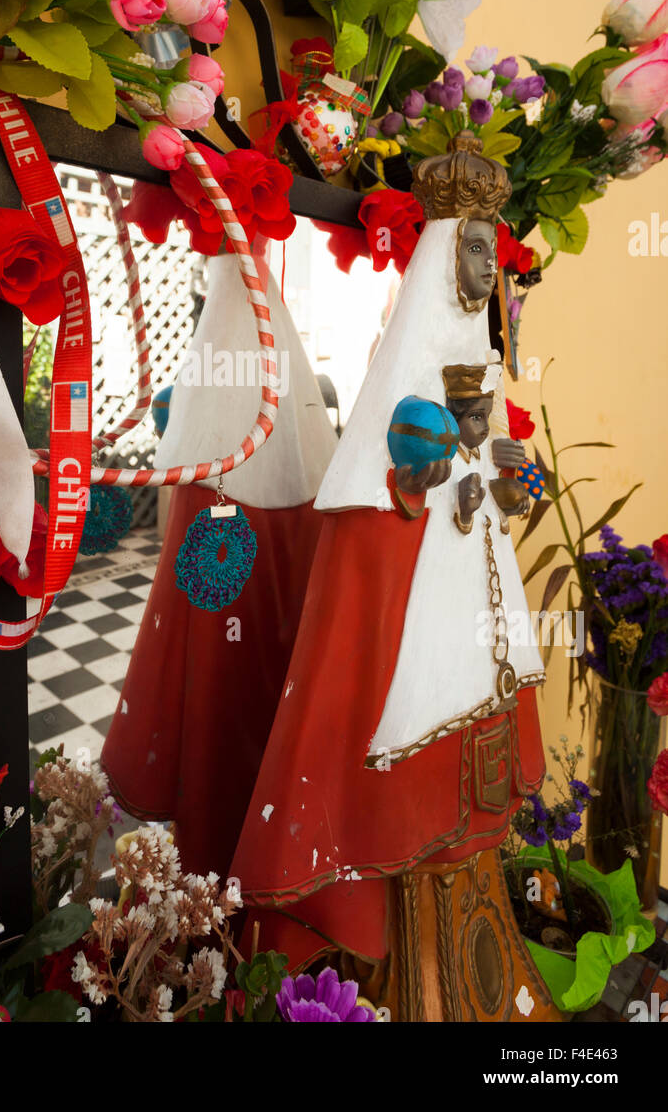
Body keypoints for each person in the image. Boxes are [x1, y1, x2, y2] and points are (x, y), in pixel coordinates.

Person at [230, 133, 546, 969]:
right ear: (445, 258)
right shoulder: (403, 388)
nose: (488, 270)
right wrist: (420, 485)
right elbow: (377, 521)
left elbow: (497, 508)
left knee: (465, 828)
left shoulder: (477, 363)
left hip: (474, 637)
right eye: (475, 251)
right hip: (417, 643)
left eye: (492, 253)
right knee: (408, 796)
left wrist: (511, 486)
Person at [102, 239, 339, 879]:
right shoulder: (257, 457)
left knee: (220, 705)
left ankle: (231, 880)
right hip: (255, 569)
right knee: (235, 712)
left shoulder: (219, 462)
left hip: (241, 563)